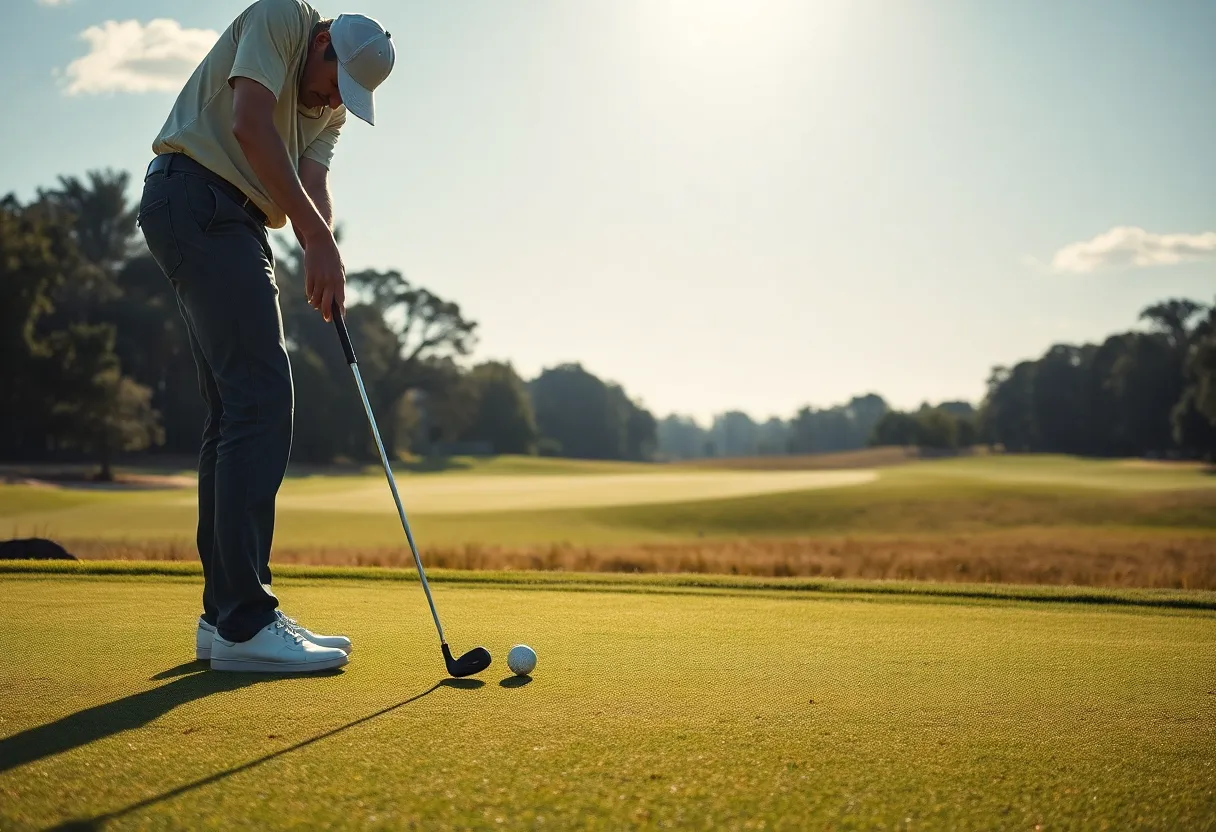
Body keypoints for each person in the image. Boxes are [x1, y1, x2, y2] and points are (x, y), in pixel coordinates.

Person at [136, 0, 395, 673]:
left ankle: (224, 617)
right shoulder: (282, 17)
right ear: (322, 44)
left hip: (233, 221)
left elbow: (312, 183)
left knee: (232, 412)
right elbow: (251, 124)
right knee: (260, 400)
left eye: (346, 98)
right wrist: (312, 239)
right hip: (197, 195)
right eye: (336, 84)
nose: (334, 101)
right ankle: (247, 623)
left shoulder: (330, 107)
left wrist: (324, 252)